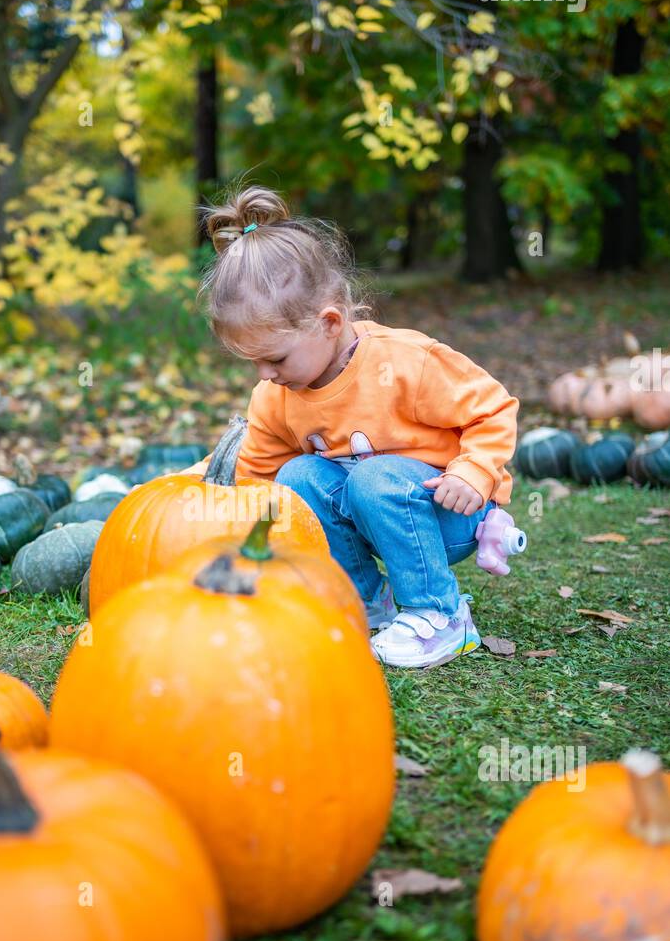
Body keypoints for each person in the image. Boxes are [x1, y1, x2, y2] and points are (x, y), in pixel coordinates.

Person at [182, 185, 519, 669]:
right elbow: (253, 473)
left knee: (372, 476)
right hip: (366, 513)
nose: (264, 374)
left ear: (330, 322)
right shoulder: (276, 396)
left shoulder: (406, 362)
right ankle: (366, 602)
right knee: (297, 477)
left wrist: (475, 472)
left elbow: (492, 408)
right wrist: (186, 492)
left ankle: (442, 615)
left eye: (274, 358)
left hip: (449, 510)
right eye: (253, 362)